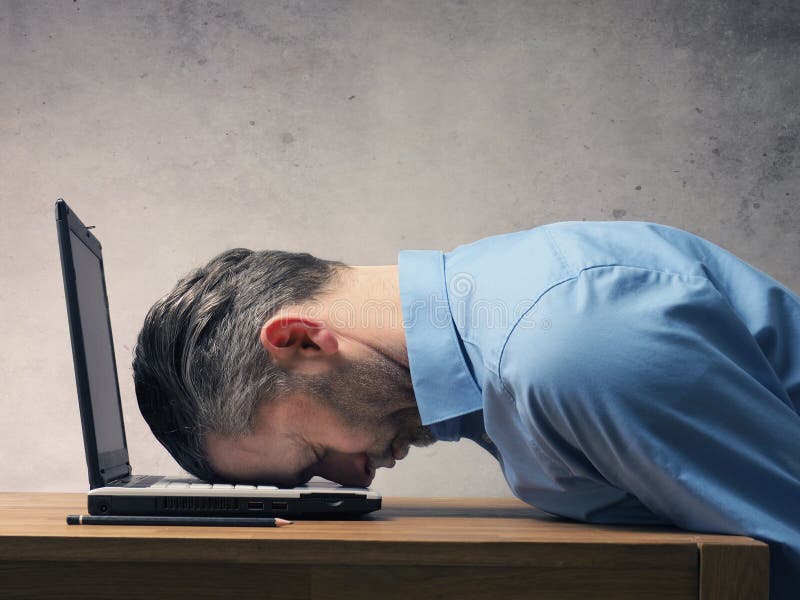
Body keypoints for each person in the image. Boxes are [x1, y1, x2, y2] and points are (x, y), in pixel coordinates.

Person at [133, 220, 799, 598]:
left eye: (315, 455)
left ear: (302, 341)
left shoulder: (565, 348)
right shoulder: (496, 333)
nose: (357, 478)